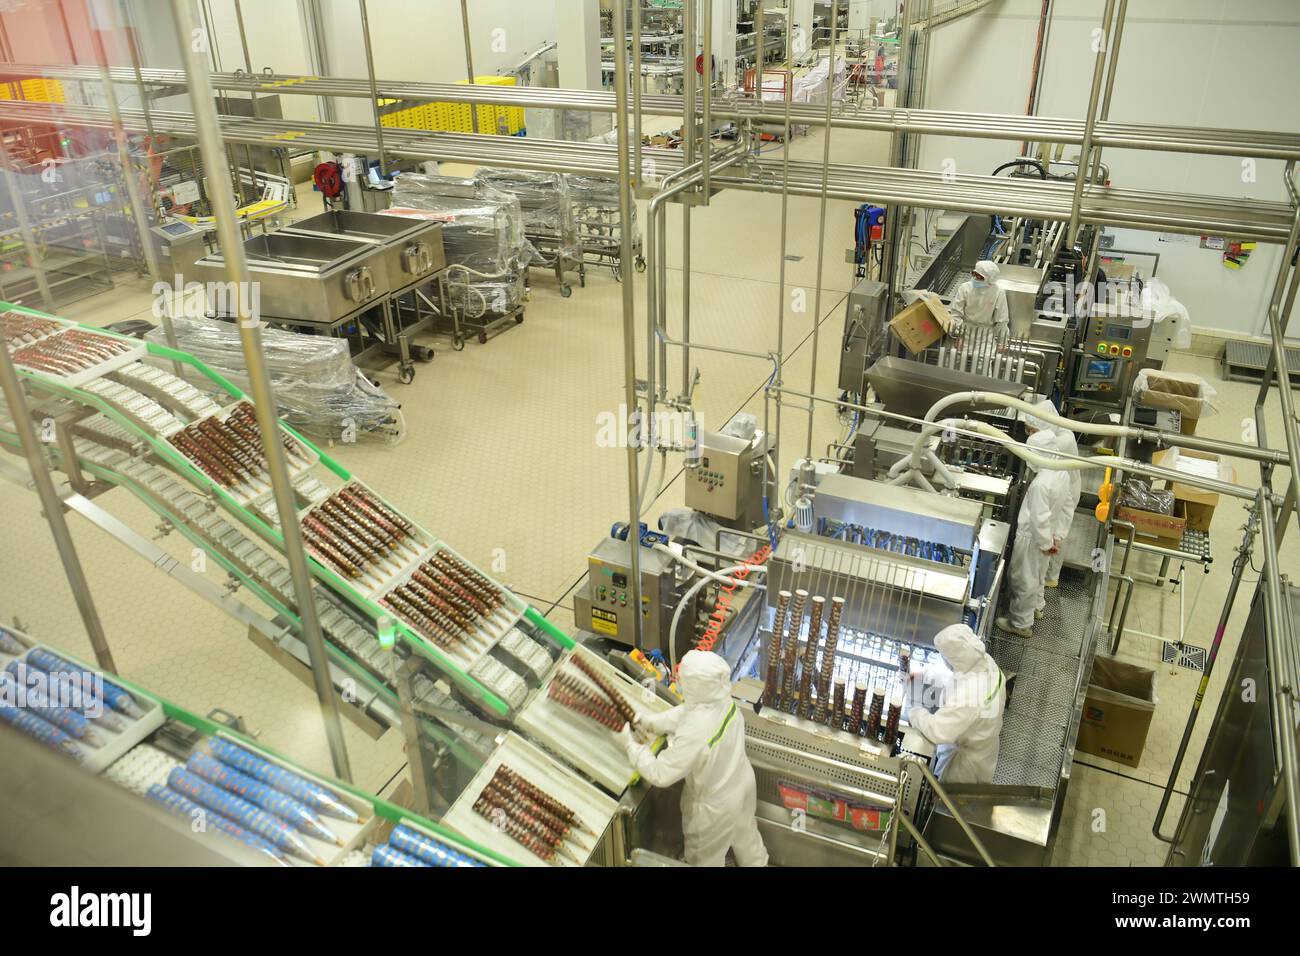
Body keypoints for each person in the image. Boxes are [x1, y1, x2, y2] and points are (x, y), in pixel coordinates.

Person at [620, 649, 768, 867]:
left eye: (685, 681)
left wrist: (630, 747)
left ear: (697, 686)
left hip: (714, 806)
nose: (681, 684)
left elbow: (661, 774)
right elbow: (686, 713)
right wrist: (649, 721)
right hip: (741, 784)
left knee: (704, 860)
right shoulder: (720, 698)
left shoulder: (696, 732)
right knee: (747, 838)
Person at [906, 623, 1006, 784]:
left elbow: (938, 731)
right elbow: (956, 674)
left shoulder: (971, 693)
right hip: (985, 746)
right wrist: (925, 674)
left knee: (948, 803)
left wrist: (914, 713)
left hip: (963, 767)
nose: (944, 659)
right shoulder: (985, 662)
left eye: (945, 656)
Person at [996, 429, 1071, 638]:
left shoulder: (1041, 484)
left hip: (1032, 538)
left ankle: (1020, 623)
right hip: (1047, 537)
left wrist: (1046, 543)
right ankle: (1037, 607)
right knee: (1038, 576)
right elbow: (1067, 506)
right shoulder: (1063, 473)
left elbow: (1039, 518)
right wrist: (1057, 537)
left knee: (1023, 579)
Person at [1031, 398, 1082, 588]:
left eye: (1033, 431)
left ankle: (1052, 576)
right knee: (1054, 530)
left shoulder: (1062, 440)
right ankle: (1048, 574)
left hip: (1067, 486)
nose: (1030, 434)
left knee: (1058, 532)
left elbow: (1038, 452)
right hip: (1061, 481)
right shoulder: (1056, 430)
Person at [948, 259, 1010, 343]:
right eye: (974, 274)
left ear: (990, 279)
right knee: (957, 355)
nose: (975, 278)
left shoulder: (998, 293)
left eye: (980, 277)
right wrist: (958, 335)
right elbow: (956, 314)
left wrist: (1002, 342)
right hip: (964, 332)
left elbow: (1001, 321)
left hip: (986, 336)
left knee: (986, 356)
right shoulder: (965, 288)